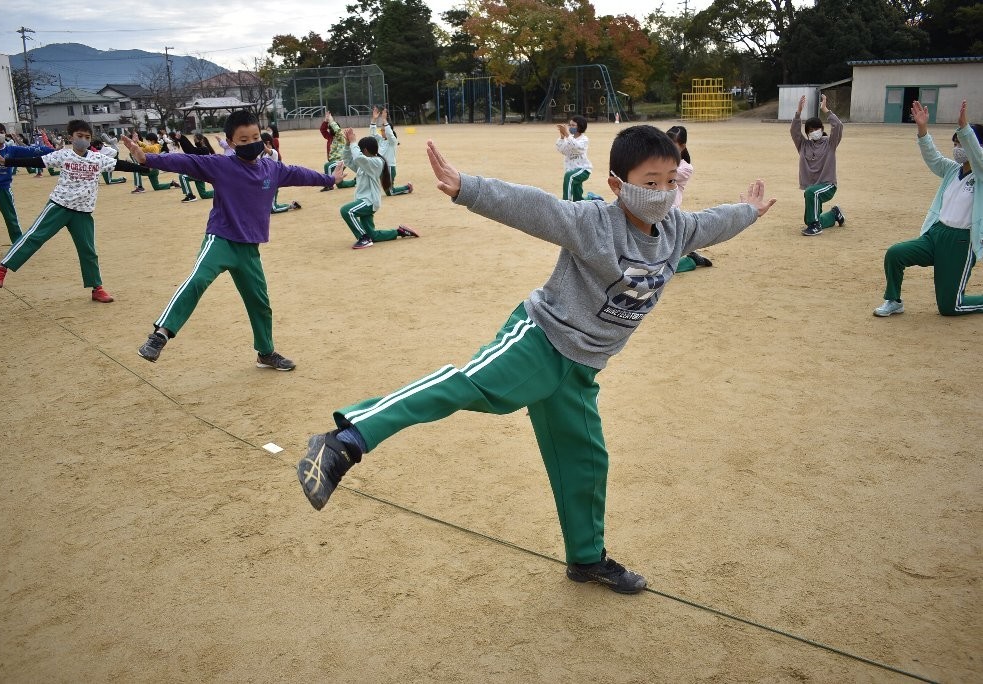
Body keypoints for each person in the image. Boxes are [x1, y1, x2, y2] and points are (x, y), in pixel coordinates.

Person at [297, 126, 777, 594]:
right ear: (617, 184)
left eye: (671, 181)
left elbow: (716, 221)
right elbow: (534, 207)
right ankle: (346, 438)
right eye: (649, 183)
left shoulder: (676, 230)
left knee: (585, 460)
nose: (662, 193)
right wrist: (468, 189)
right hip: (540, 341)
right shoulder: (594, 223)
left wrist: (749, 211)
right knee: (467, 386)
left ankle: (587, 559)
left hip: (582, 369)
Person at [125, 109, 344, 370]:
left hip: (249, 249)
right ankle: (160, 334)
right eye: (243, 140)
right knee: (197, 281)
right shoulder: (221, 166)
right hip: (220, 241)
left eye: (255, 138)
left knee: (260, 303)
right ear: (230, 143)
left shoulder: (272, 169)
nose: (251, 143)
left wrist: (330, 178)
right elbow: (185, 162)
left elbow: (300, 174)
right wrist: (146, 158)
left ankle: (265, 353)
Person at [0, 119, 150, 301]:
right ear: (70, 137)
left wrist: (145, 169)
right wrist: (7, 161)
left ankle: (97, 288)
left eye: (87, 137)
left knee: (88, 250)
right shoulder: (63, 155)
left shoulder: (97, 158)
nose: (83, 140)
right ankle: (2, 268)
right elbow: (37, 161)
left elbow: (120, 165)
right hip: (59, 206)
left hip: (83, 211)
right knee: (35, 237)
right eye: (79, 136)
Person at [873, 100, 983, 317]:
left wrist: (965, 130)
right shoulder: (953, 170)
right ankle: (893, 300)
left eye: (961, 143)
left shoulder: (980, 175)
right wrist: (922, 130)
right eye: (956, 143)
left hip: (961, 242)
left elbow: (978, 158)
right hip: (936, 234)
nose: (957, 148)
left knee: (950, 307)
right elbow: (933, 158)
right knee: (896, 253)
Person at [337, 128, 419, 249]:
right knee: (373, 235)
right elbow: (349, 160)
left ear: (364, 150)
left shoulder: (376, 162)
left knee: (346, 211)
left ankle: (363, 238)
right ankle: (399, 232)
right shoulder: (364, 164)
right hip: (364, 200)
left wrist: (354, 142)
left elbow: (359, 158)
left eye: (359, 150)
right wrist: (348, 145)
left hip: (369, 201)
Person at [791, 94, 845, 236]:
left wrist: (825, 110)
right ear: (807, 133)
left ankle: (816, 226)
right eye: (810, 130)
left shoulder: (830, 143)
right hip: (812, 189)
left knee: (811, 194)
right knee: (809, 218)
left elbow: (838, 126)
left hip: (827, 185)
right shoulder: (803, 145)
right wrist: (798, 112)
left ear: (821, 128)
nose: (814, 132)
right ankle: (834, 214)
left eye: (816, 129)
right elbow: (794, 132)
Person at [665, 125, 712, 271]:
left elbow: (666, 173)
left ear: (682, 146)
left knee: (663, 267)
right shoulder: (660, 160)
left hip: (670, 214)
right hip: (655, 210)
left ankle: (691, 261)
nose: (667, 149)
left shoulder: (685, 168)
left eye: (671, 146)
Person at [370, 106, 413, 196]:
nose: (381, 132)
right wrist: (374, 119)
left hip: (389, 168)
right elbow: (373, 134)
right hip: (381, 167)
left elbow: (389, 133)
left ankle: (408, 188)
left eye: (383, 130)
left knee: (390, 192)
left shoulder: (393, 141)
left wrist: (385, 120)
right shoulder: (381, 140)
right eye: (381, 130)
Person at [261, 132, 302, 213]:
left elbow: (270, 152)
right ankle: (291, 205)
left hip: (272, 183)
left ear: (267, 142)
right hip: (266, 183)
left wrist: (261, 146)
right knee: (272, 205)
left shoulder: (273, 152)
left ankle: (292, 206)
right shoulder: (263, 154)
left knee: (273, 209)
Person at [555, 114, 592, 201]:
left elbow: (577, 147)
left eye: (573, 125)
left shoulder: (584, 139)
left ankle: (566, 203)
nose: (571, 127)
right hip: (571, 169)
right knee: (578, 199)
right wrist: (562, 137)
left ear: (580, 127)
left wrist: (567, 134)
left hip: (583, 170)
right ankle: (592, 198)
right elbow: (562, 150)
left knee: (569, 176)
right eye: (570, 125)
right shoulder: (569, 138)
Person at [172, 132, 216, 202]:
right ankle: (222, 191)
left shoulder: (204, 149)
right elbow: (189, 149)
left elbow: (190, 149)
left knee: (183, 176)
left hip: (200, 173)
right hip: (200, 173)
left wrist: (182, 138)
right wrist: (181, 139)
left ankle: (190, 196)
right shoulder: (201, 149)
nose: (194, 142)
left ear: (201, 140)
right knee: (204, 195)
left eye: (195, 140)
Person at [319, 110, 354, 191]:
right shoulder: (330, 137)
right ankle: (355, 181)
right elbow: (322, 130)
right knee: (340, 184)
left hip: (341, 161)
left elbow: (337, 130)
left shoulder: (340, 137)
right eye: (329, 128)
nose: (330, 130)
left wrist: (331, 121)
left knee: (327, 165)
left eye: (331, 128)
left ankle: (328, 185)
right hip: (335, 162)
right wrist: (326, 120)